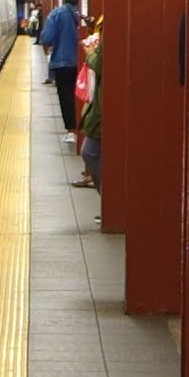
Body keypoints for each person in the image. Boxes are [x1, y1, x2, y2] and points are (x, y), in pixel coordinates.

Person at [37, 0, 81, 144]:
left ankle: (71, 131)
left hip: (63, 63)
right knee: (84, 96)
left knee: (66, 96)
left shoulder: (58, 13)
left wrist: (49, 50)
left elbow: (46, 37)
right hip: (84, 63)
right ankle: (85, 129)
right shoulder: (89, 12)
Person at [77, 15, 103, 225]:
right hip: (101, 103)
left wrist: (91, 55)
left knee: (90, 151)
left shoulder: (110, 23)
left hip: (103, 105)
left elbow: (101, 62)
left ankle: (110, 201)